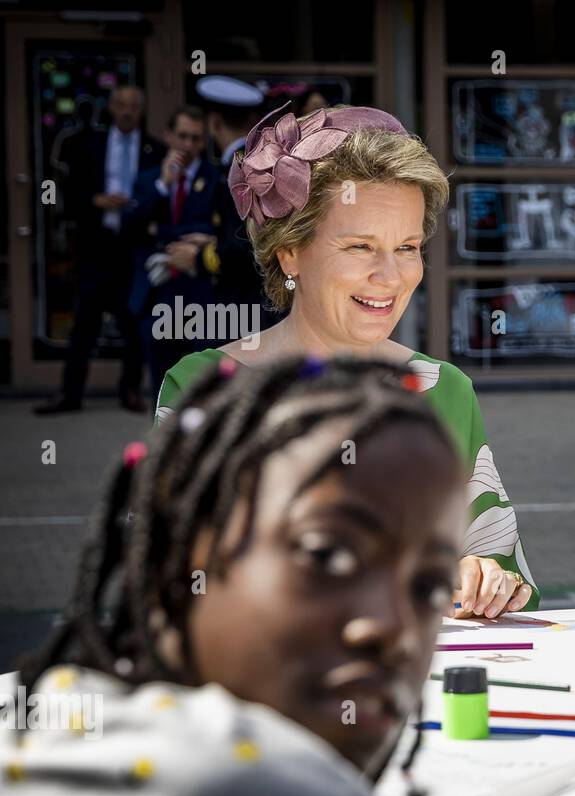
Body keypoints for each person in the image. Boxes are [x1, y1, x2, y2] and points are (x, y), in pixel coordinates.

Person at [0, 357, 572, 796]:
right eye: (328, 555)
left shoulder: (51, 707)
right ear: (179, 552)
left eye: (427, 586)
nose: (390, 626)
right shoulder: (221, 776)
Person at [153, 102, 539, 618]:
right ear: (289, 251)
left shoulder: (444, 390)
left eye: (407, 246)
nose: (392, 275)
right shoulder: (203, 387)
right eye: (361, 246)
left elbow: (498, 557)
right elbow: (161, 581)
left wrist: (490, 577)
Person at [35, 85, 163, 415]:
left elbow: (160, 199)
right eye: (121, 104)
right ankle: (70, 394)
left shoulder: (154, 150)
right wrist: (96, 200)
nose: (126, 111)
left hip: (133, 248)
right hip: (97, 245)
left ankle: (131, 390)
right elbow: (71, 193)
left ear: (141, 109)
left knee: (133, 322)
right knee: (84, 323)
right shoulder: (88, 145)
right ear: (111, 107)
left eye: (133, 105)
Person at [121, 105, 222, 394]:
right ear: (168, 136)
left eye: (196, 138)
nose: (188, 145)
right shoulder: (148, 179)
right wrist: (163, 186)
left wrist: (159, 232)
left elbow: (208, 230)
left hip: (200, 297)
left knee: (199, 385)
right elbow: (129, 228)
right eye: (182, 136)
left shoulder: (216, 179)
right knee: (162, 387)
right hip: (156, 295)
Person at [188, 75, 268, 313]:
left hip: (243, 301)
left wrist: (199, 258)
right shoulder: (258, 162)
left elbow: (244, 244)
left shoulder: (238, 169)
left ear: (213, 122)